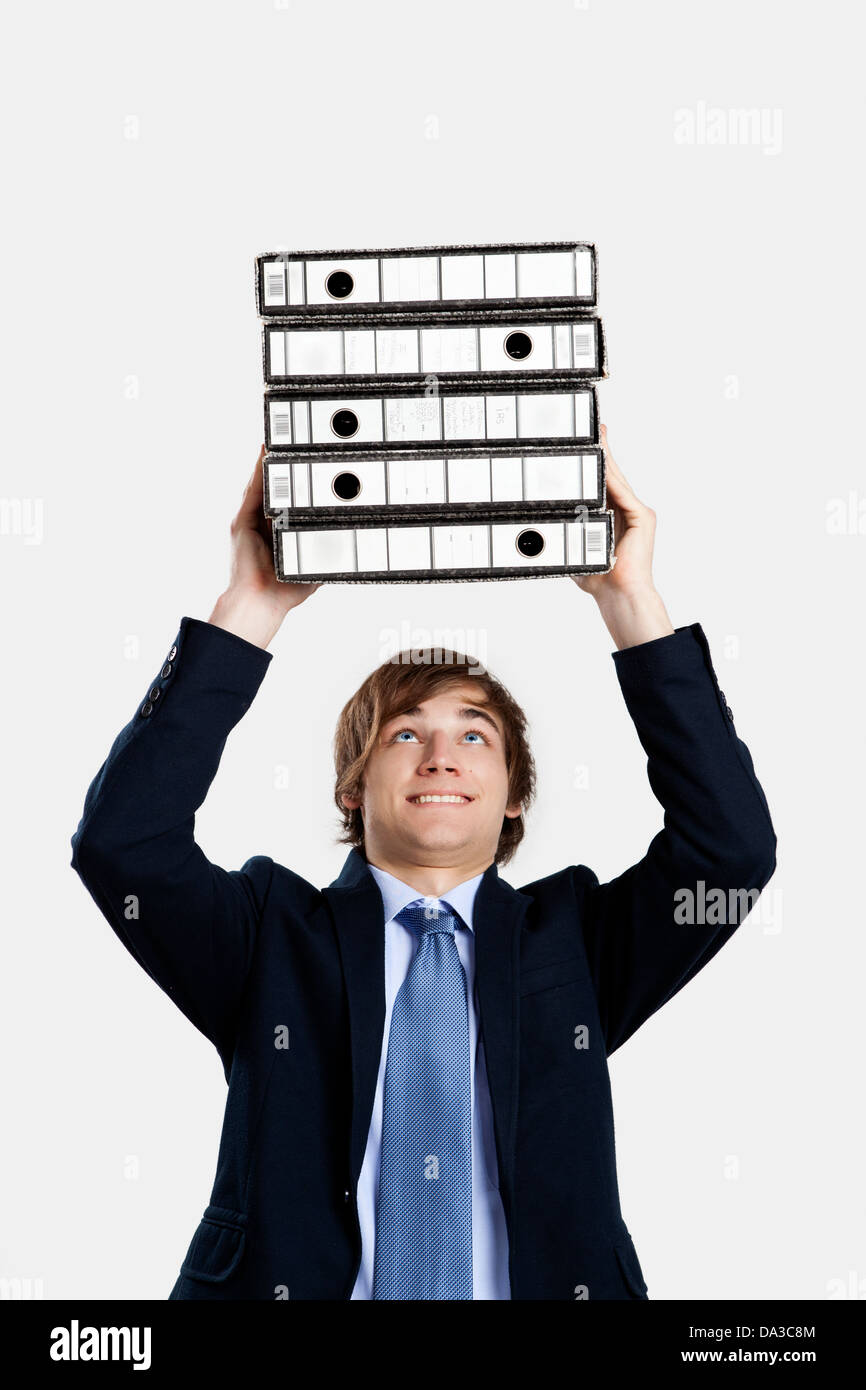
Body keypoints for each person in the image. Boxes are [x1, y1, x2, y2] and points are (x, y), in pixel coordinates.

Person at [69, 426, 777, 1300]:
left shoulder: (580, 947)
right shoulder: (268, 942)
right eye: (407, 734)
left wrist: (631, 603)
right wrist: (250, 606)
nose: (441, 756)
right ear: (351, 791)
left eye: (474, 736)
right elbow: (121, 844)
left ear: (515, 793)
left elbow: (731, 853)